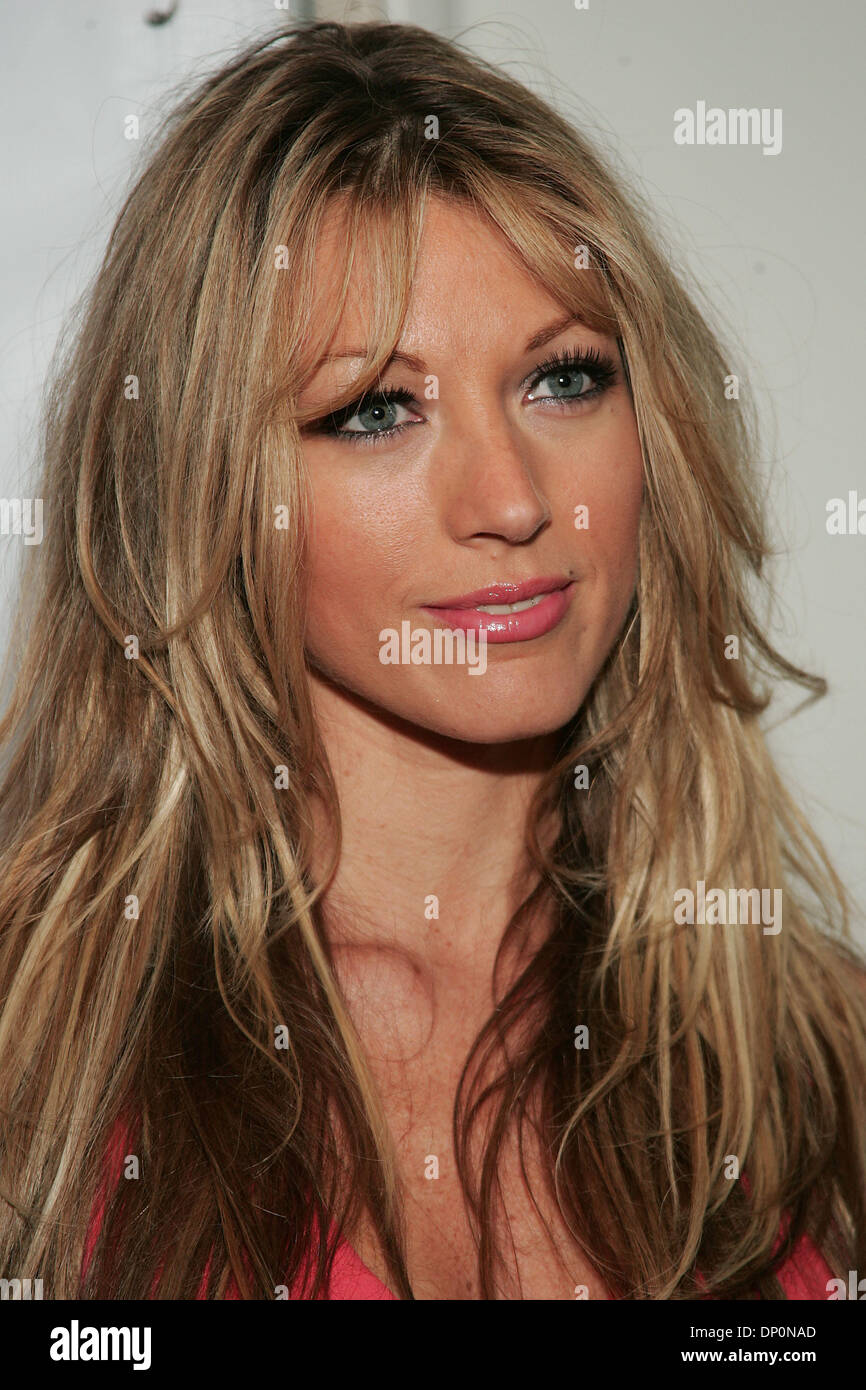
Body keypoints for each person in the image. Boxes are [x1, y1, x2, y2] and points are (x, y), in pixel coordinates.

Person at [0, 19, 863, 1302]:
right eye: (373, 409)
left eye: (563, 380)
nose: (512, 499)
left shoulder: (814, 1052)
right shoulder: (41, 1059)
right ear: (196, 491)